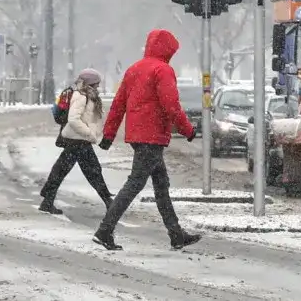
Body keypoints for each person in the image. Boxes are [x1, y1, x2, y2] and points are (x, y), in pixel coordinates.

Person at [93, 29, 200, 251]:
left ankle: (176, 234)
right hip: (152, 136)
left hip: (138, 135)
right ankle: (105, 230)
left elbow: (119, 103)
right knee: (135, 183)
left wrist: (109, 135)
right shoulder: (163, 70)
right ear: (168, 50)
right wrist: (188, 130)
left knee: (161, 185)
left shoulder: (134, 69)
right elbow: (171, 105)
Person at [38, 68, 114, 215]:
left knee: (63, 170)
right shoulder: (81, 96)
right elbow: (73, 119)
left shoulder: (88, 95)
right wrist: (89, 133)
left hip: (78, 140)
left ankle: (47, 200)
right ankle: (109, 203)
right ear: (90, 84)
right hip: (78, 140)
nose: (98, 87)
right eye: (96, 84)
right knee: (93, 171)